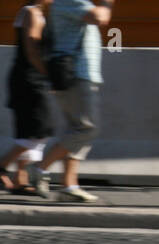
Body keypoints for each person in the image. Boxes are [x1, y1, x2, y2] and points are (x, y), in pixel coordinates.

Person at [28, 0, 115, 202]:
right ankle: (40, 168)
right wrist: (108, 3)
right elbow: (100, 18)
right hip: (76, 75)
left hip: (78, 75)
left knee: (76, 129)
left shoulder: (81, 3)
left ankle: (69, 185)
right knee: (87, 129)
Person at [0, 2, 54, 194]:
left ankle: (20, 179)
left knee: (29, 130)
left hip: (29, 77)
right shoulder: (31, 13)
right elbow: (32, 51)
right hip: (29, 78)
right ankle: (1, 163)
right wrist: (49, 75)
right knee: (40, 130)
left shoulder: (34, 13)